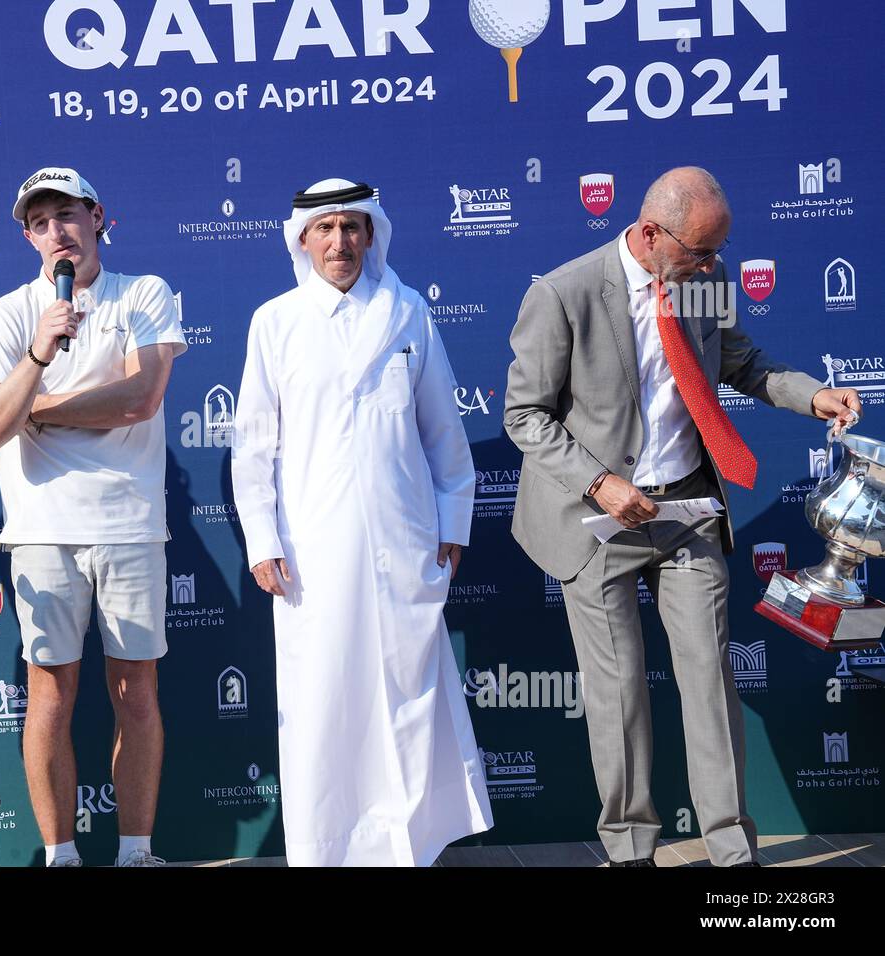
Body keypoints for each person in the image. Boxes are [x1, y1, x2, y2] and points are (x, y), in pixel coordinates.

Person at [504, 166, 861, 867]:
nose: (711, 265)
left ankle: (731, 853)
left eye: (715, 252)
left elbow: (742, 363)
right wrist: (600, 483)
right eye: (698, 252)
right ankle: (631, 850)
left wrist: (812, 395)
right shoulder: (563, 292)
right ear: (647, 233)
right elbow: (523, 414)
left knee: (708, 678)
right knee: (619, 692)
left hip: (687, 508)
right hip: (596, 518)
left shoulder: (705, 276)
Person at [230, 178, 493, 866]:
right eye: (326, 229)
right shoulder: (276, 322)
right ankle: (327, 852)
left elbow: (443, 432)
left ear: (370, 235)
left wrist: (452, 522)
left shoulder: (407, 313)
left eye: (352, 228)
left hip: (404, 541)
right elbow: (253, 446)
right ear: (303, 240)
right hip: (310, 553)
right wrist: (262, 538)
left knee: (409, 699)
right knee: (323, 705)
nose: (340, 242)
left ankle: (412, 848)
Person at [0, 167, 186, 868]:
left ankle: (136, 853)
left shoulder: (143, 295)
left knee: (135, 693)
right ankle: (61, 856)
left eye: (67, 215)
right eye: (40, 221)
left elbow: (138, 397)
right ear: (27, 236)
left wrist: (34, 407)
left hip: (129, 526)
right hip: (41, 533)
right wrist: (38, 353)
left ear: (98, 217)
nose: (56, 231)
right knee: (49, 696)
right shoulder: (7, 315)